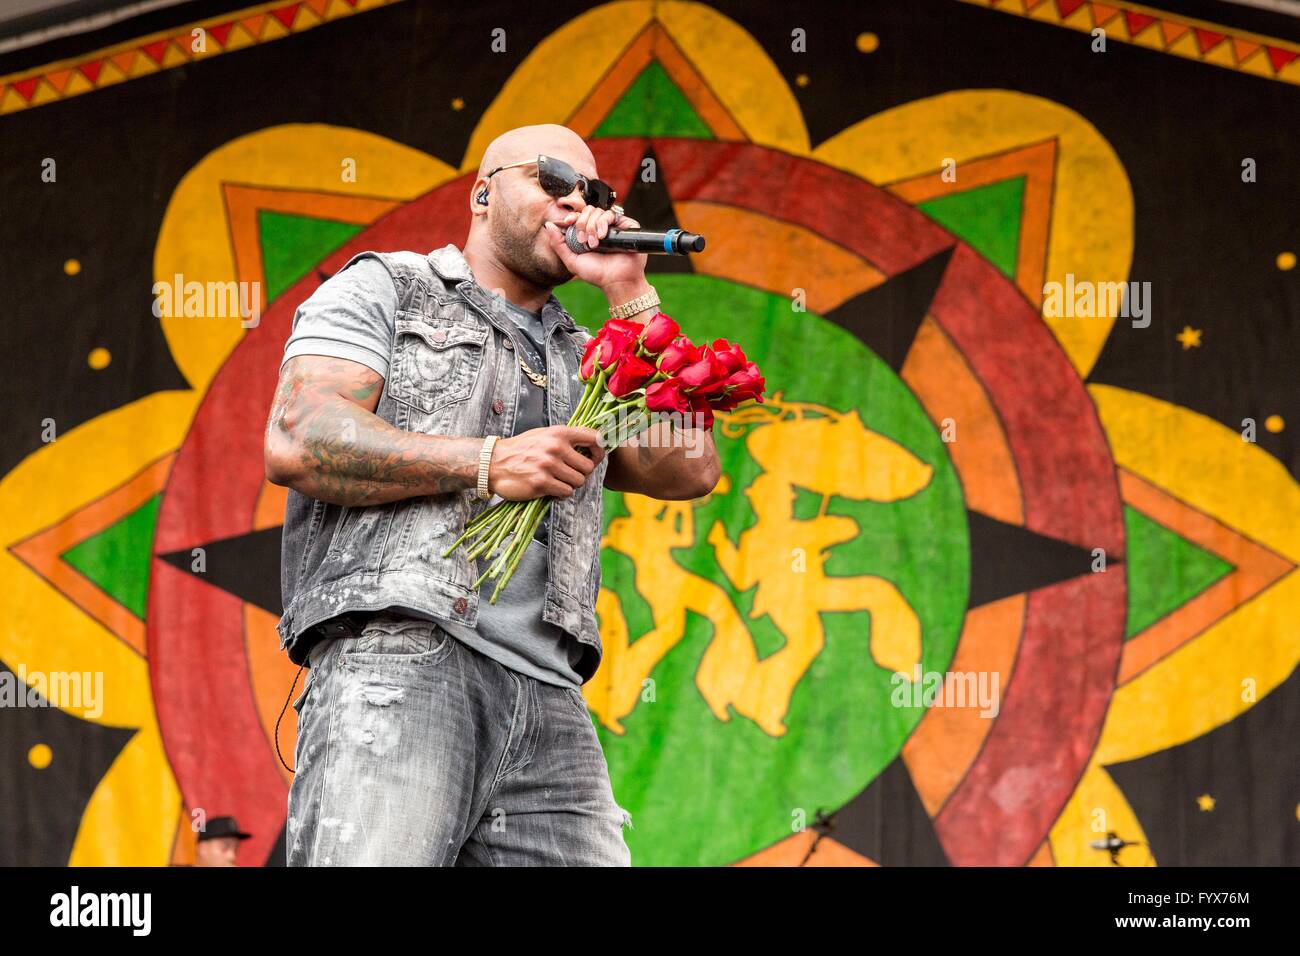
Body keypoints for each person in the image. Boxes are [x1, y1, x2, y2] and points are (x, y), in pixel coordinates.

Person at [265, 123, 720, 866]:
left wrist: (632, 296)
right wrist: (487, 462)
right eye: (552, 181)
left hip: (550, 692)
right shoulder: (390, 287)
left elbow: (690, 469)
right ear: (482, 193)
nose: (578, 203)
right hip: (403, 651)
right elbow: (299, 435)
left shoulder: (588, 355)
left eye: (595, 193)